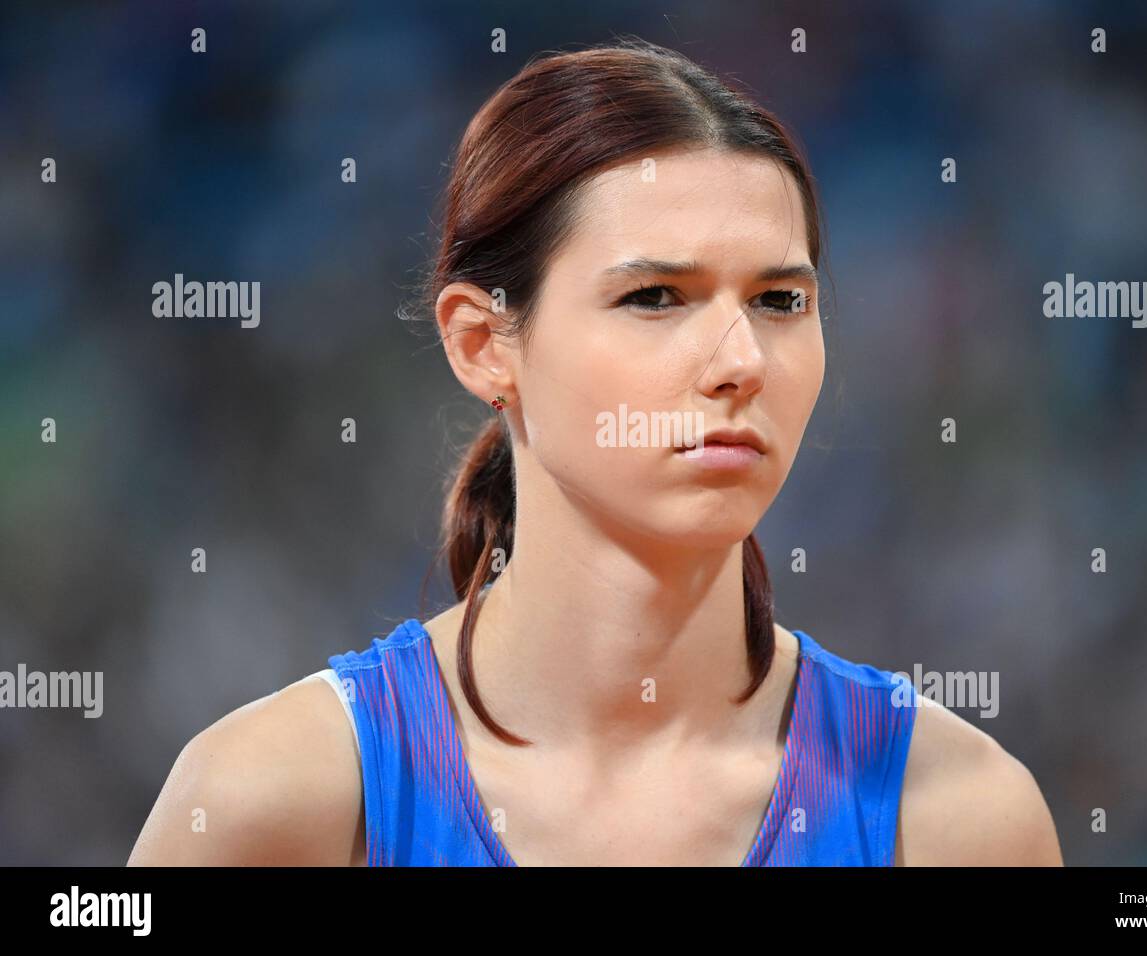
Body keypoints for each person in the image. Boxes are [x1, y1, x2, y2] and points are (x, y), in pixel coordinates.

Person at [128, 37, 1062, 867]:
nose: (741, 361)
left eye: (780, 301)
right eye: (655, 297)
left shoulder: (957, 818)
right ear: (483, 344)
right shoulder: (272, 802)